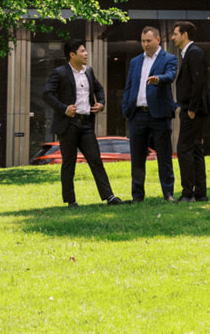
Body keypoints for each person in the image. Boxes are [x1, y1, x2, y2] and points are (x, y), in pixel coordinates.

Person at [42, 40, 124, 207]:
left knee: (95, 160)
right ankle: (71, 201)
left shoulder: (89, 71)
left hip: (86, 124)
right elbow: (46, 94)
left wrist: (101, 103)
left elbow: (99, 89)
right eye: (82, 51)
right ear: (72, 55)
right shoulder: (60, 73)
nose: (86, 54)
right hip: (68, 124)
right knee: (69, 163)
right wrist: (64, 109)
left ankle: (109, 197)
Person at [122, 24, 178, 201]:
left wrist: (158, 79)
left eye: (148, 40)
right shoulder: (135, 61)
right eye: (143, 41)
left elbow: (171, 75)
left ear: (158, 40)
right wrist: (126, 107)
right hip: (137, 115)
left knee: (164, 156)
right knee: (137, 158)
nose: (145, 44)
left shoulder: (169, 58)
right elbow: (129, 86)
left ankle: (168, 193)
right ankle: (137, 195)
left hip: (160, 115)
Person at [171, 21, 210, 202]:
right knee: (195, 149)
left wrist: (192, 109)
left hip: (193, 110)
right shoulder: (191, 53)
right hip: (193, 109)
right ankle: (200, 193)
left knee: (184, 149)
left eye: (175, 34)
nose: (172, 37)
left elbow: (198, 82)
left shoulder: (194, 53)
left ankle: (188, 193)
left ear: (185, 34)